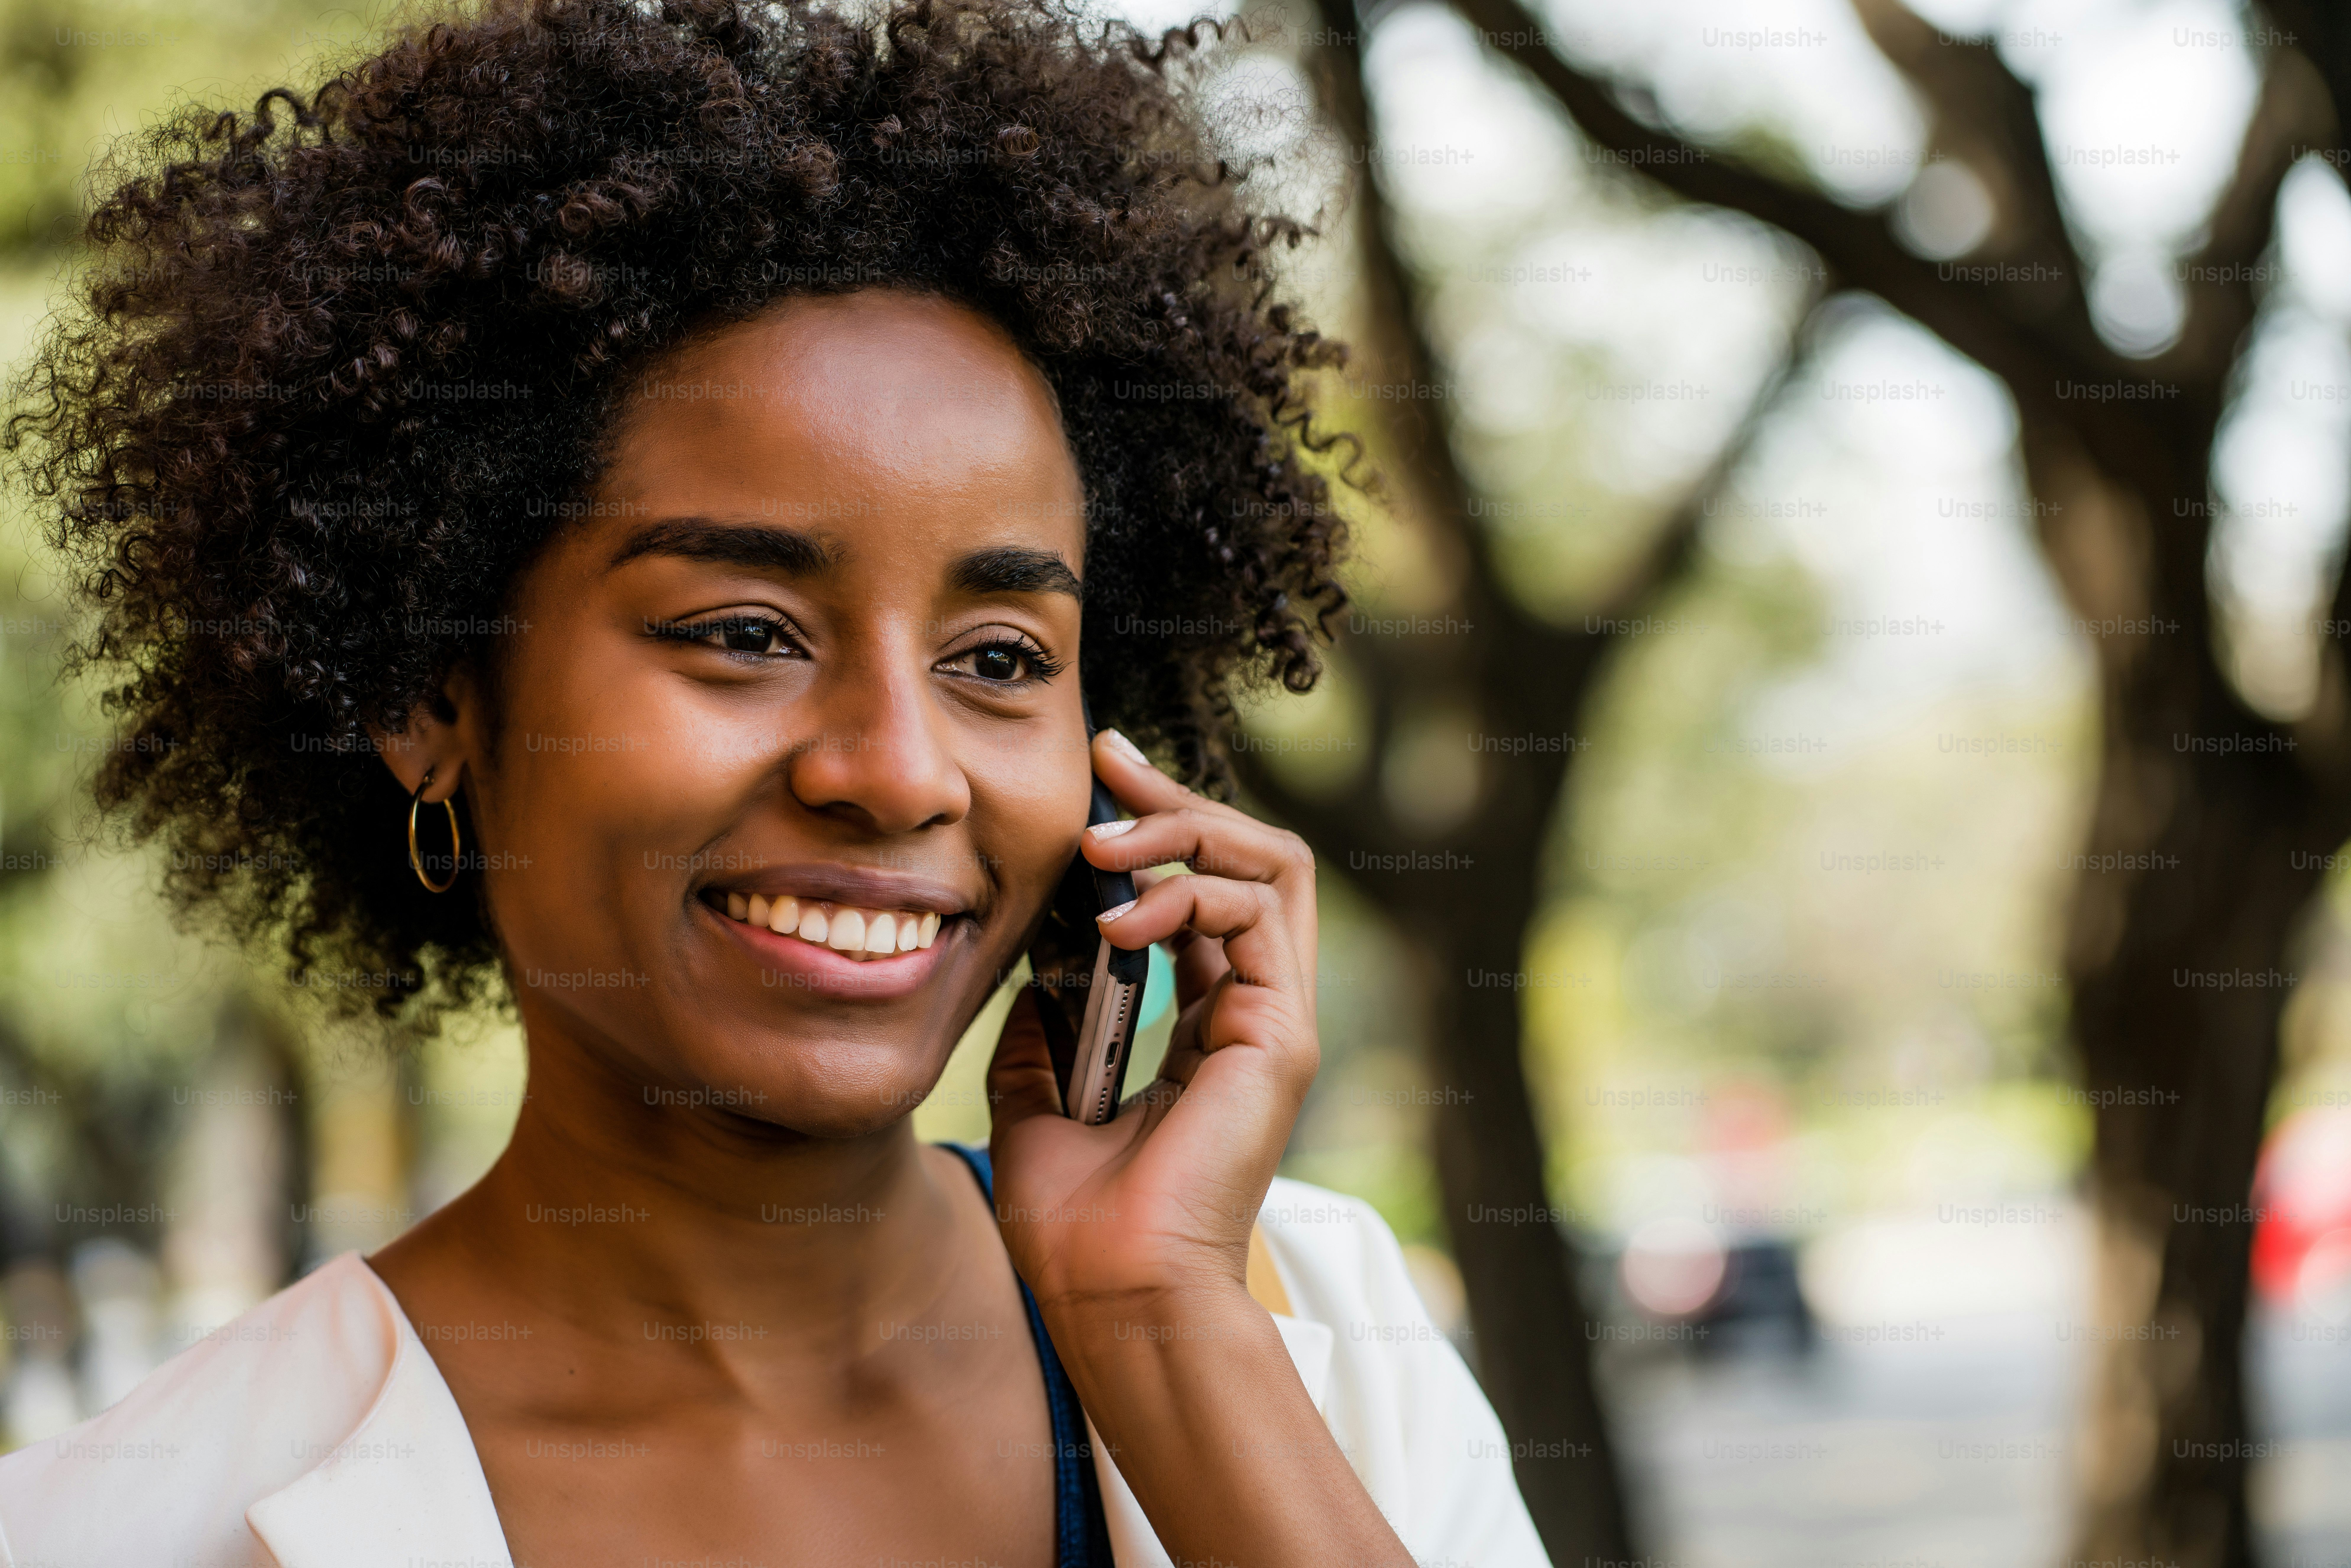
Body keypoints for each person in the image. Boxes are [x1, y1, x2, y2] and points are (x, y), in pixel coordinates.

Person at [0, 1, 1549, 1564]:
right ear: (429, 691)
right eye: (744, 633)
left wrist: (1157, 1326)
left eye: (1003, 657)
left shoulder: (1322, 1341)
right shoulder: (115, 1527)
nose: (894, 771)